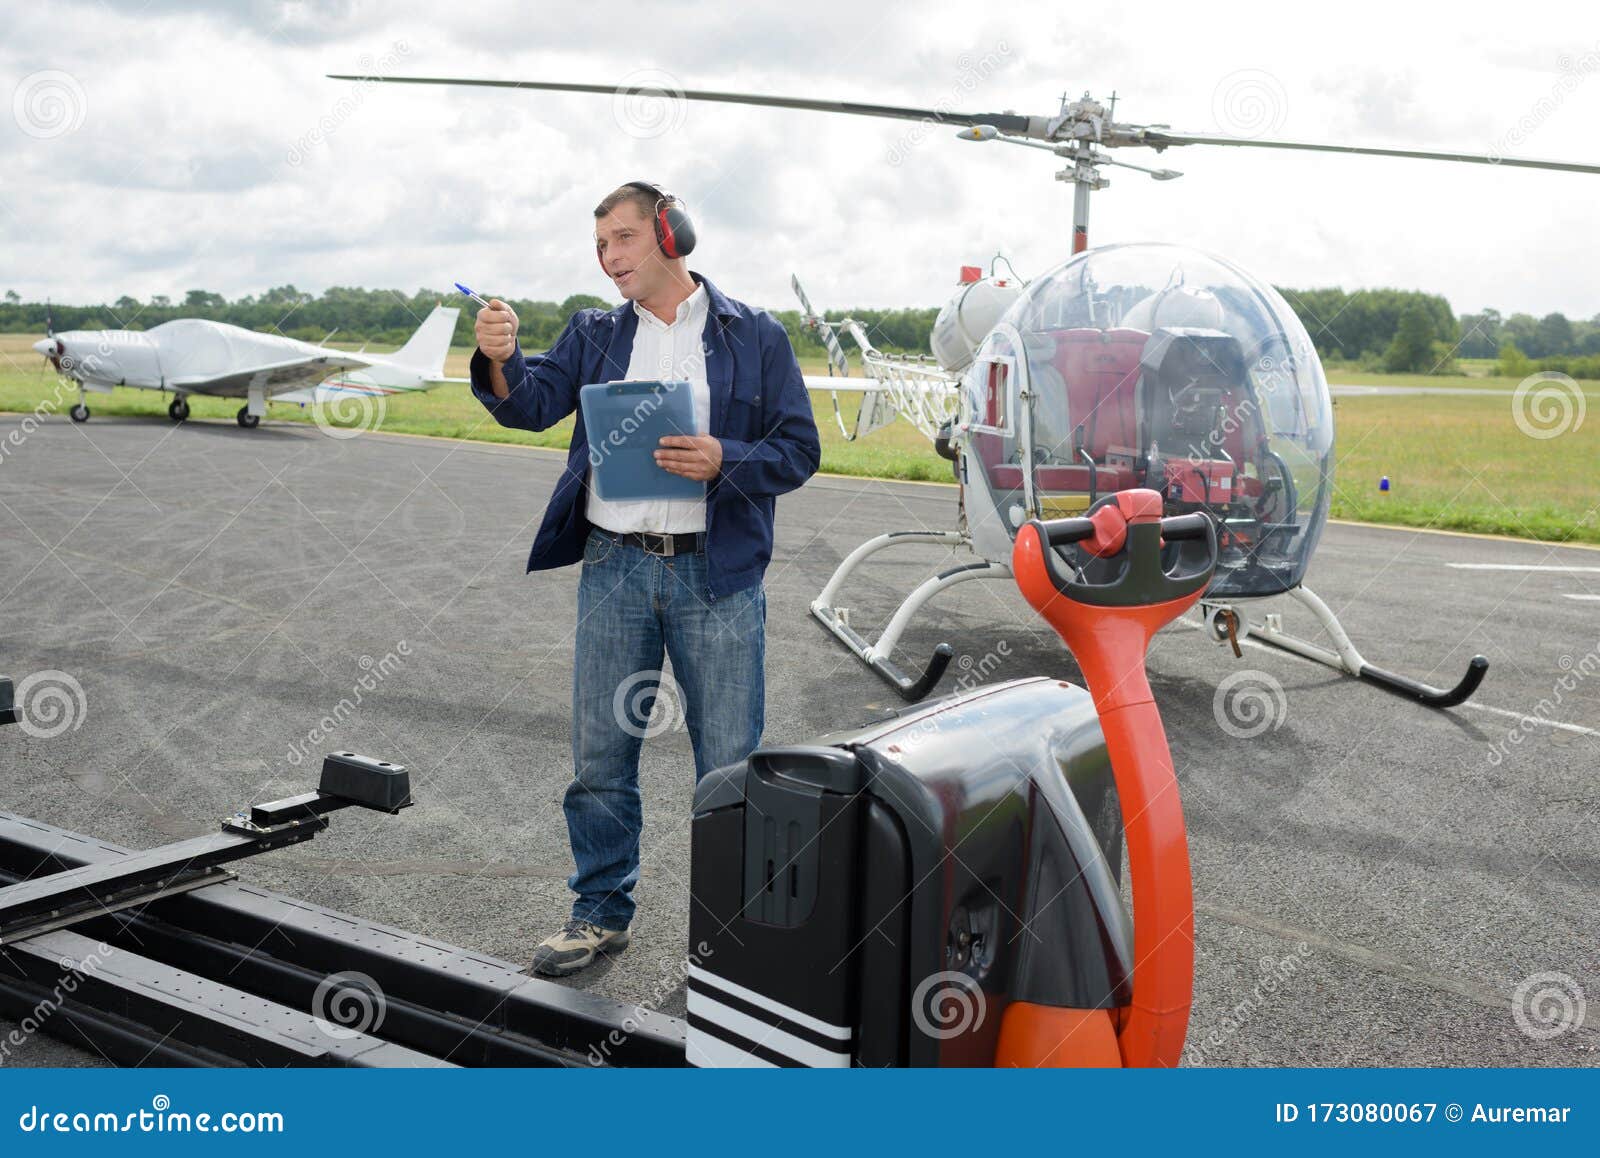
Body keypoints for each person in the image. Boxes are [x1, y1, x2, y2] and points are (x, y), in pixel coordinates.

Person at [469, 181, 821, 976]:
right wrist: (499, 358)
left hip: (716, 578)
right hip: (615, 569)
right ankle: (598, 914)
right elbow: (528, 405)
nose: (610, 258)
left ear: (672, 234)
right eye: (600, 245)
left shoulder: (755, 335)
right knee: (599, 757)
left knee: (729, 762)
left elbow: (799, 450)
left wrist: (726, 458)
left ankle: (736, 933)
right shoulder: (593, 333)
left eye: (623, 239)